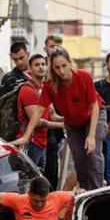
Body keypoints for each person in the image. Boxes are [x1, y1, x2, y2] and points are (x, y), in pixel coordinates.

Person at [34, 46, 107, 191]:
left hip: (93, 115)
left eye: (64, 66)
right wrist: (26, 135)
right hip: (73, 123)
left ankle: (97, 190)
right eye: (57, 67)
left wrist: (91, 136)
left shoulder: (83, 77)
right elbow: (39, 110)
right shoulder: (50, 85)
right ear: (52, 68)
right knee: (79, 160)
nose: (61, 71)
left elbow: (95, 106)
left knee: (92, 154)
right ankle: (86, 191)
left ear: (70, 62)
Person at [15, 53, 63, 171]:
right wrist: (62, 125)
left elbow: (53, 116)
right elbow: (36, 122)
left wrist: (68, 118)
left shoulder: (46, 89)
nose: (41, 67)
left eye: (43, 64)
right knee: (27, 181)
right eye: (37, 65)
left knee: (39, 181)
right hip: (30, 143)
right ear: (30, 69)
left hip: (42, 143)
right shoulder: (27, 90)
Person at [44, 35, 65, 189]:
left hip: (62, 126)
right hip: (47, 127)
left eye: (57, 46)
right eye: (51, 46)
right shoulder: (41, 67)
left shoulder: (65, 69)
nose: (54, 49)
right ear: (46, 48)